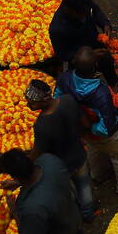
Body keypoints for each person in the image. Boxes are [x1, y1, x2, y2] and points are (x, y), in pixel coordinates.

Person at [57, 47, 118, 198]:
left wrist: (84, 128)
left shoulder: (65, 78)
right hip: (105, 135)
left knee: (94, 151)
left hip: (84, 132)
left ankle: (99, 175)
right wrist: (92, 128)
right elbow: (107, 128)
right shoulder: (100, 94)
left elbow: (59, 99)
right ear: (95, 68)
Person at [27, 79, 93, 222]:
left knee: (68, 192)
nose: (28, 105)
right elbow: (86, 123)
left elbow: (38, 152)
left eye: (31, 102)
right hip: (79, 155)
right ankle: (88, 214)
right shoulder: (68, 100)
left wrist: (26, 164)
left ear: (43, 101)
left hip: (62, 165)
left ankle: (76, 215)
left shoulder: (42, 125)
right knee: (84, 187)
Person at [49, 0, 116, 87]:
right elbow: (63, 54)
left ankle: (114, 84)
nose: (84, 16)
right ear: (68, 9)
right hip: (80, 62)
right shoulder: (57, 29)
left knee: (107, 63)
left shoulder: (83, 5)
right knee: (86, 85)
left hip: (95, 43)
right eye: (81, 14)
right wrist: (88, 56)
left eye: (86, 12)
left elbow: (95, 11)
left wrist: (104, 24)